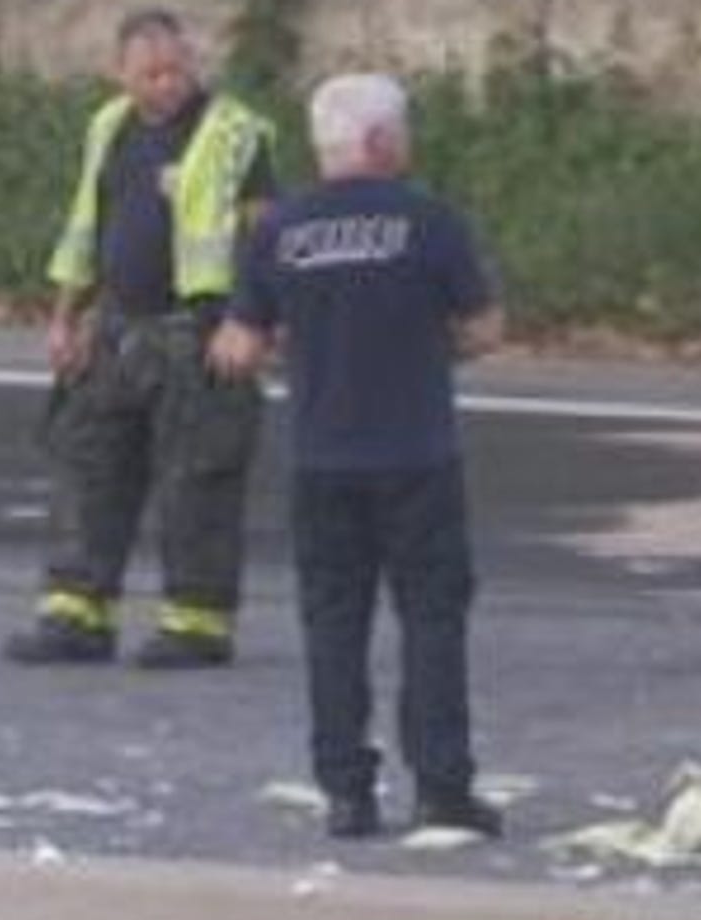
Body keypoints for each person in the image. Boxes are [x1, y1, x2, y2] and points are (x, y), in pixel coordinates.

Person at [213, 73, 505, 840]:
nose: (408, 142)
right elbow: (482, 331)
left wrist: (295, 348)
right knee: (432, 622)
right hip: (417, 455)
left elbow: (237, 346)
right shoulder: (432, 222)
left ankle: (347, 793)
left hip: (324, 460)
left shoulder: (280, 230)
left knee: (334, 625)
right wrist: (421, 347)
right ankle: (442, 788)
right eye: (403, 130)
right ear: (380, 142)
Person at [2, 8, 276, 670]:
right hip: (118, 327)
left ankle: (197, 624)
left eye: (178, 69)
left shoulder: (235, 132)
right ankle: (77, 614)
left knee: (196, 482)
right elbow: (85, 226)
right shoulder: (109, 126)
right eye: (151, 73)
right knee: (89, 468)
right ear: (120, 73)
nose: (167, 84)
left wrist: (252, 319)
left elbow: (267, 234)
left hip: (199, 333)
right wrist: (67, 318)